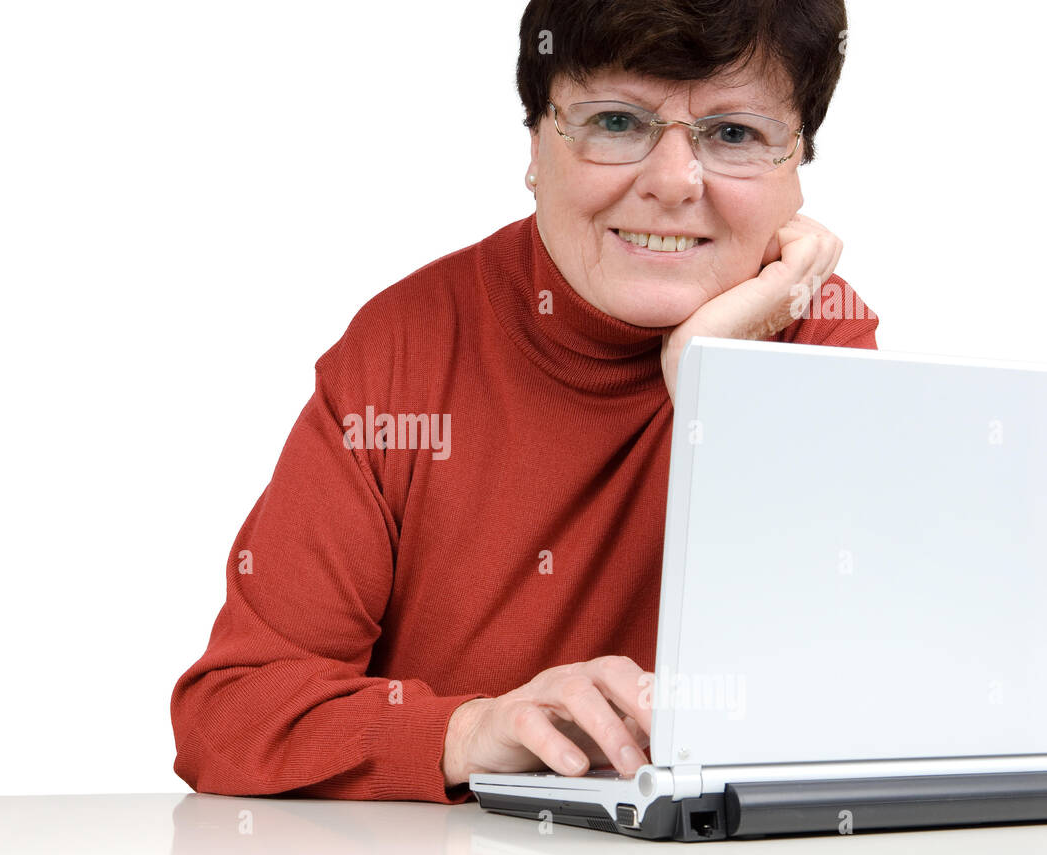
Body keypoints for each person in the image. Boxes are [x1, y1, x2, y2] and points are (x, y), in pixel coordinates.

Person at [170, 0, 876, 803]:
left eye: (736, 135)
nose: (675, 183)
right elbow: (230, 712)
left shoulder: (816, 339)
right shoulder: (404, 348)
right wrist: (469, 731)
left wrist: (712, 389)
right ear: (536, 147)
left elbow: (871, 699)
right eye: (616, 121)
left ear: (797, 168)